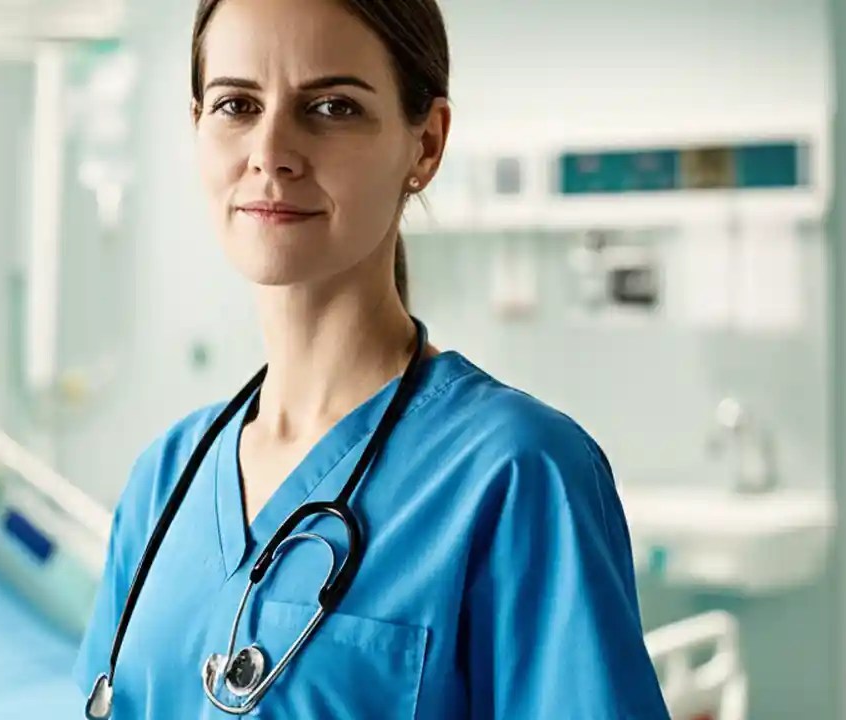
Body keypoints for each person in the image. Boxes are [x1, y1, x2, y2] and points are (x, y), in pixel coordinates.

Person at [75, 0, 671, 716]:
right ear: (196, 125)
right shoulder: (164, 483)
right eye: (237, 104)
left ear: (425, 145)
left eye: (330, 107)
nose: (271, 151)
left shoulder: (517, 476)